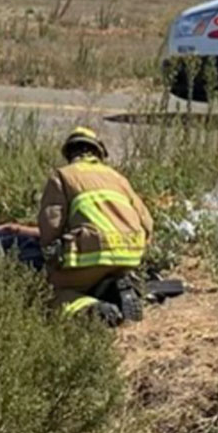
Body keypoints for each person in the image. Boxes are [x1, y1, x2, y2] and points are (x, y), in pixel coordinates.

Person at [31, 126, 152, 323]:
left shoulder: (63, 176)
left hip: (89, 253)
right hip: (129, 254)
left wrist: (52, 256)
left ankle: (92, 310)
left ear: (69, 153)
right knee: (102, 273)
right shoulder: (118, 178)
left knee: (50, 293)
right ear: (98, 152)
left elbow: (51, 223)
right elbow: (147, 222)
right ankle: (115, 286)